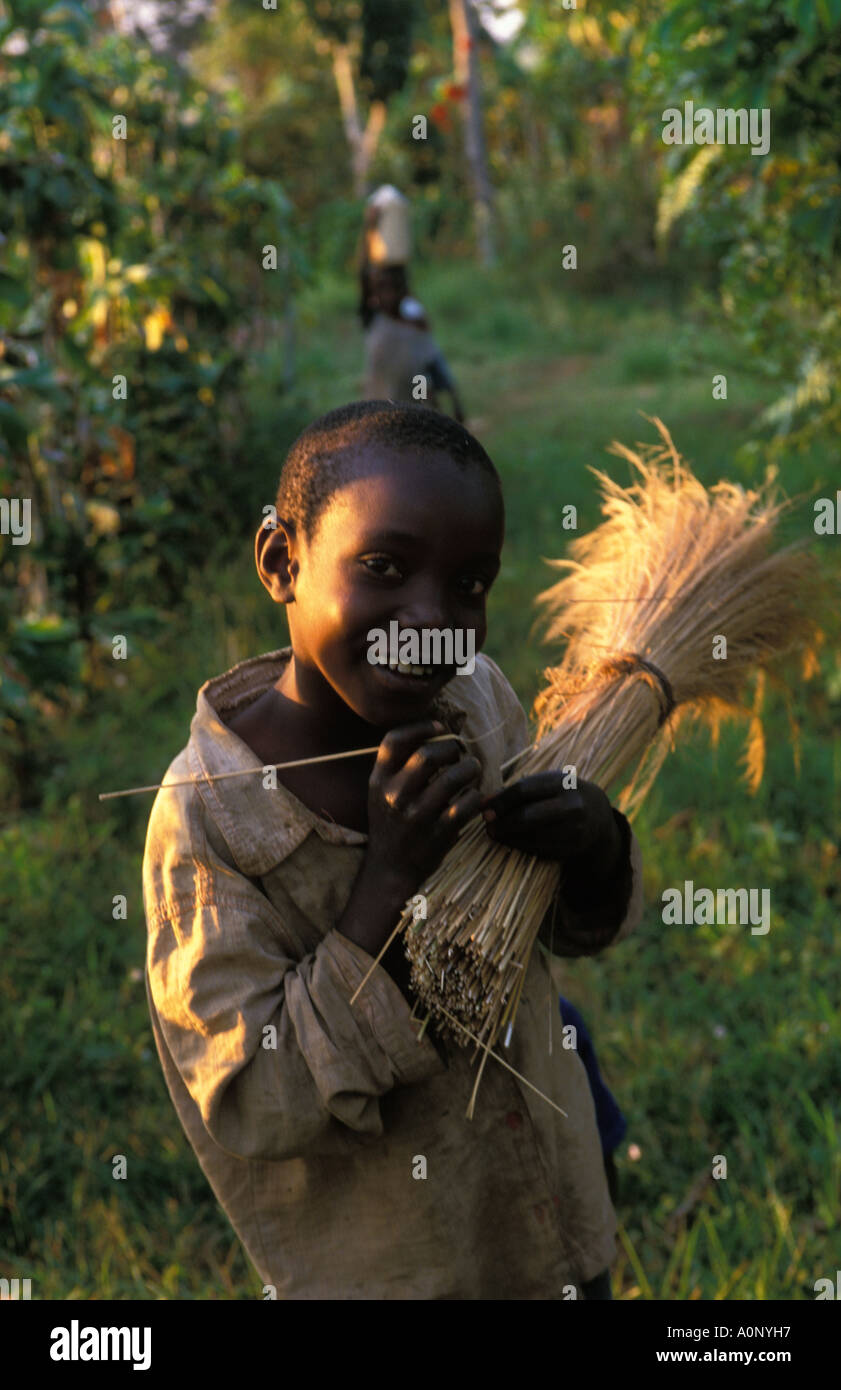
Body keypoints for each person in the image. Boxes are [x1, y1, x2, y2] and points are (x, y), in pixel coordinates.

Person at [142, 400, 644, 1300]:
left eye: (469, 585)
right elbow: (252, 1095)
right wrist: (388, 879)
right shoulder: (209, 821)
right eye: (383, 567)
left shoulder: (480, 704)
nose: (430, 623)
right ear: (280, 561)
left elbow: (557, 934)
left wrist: (596, 848)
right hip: (397, 1268)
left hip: (549, 1221)